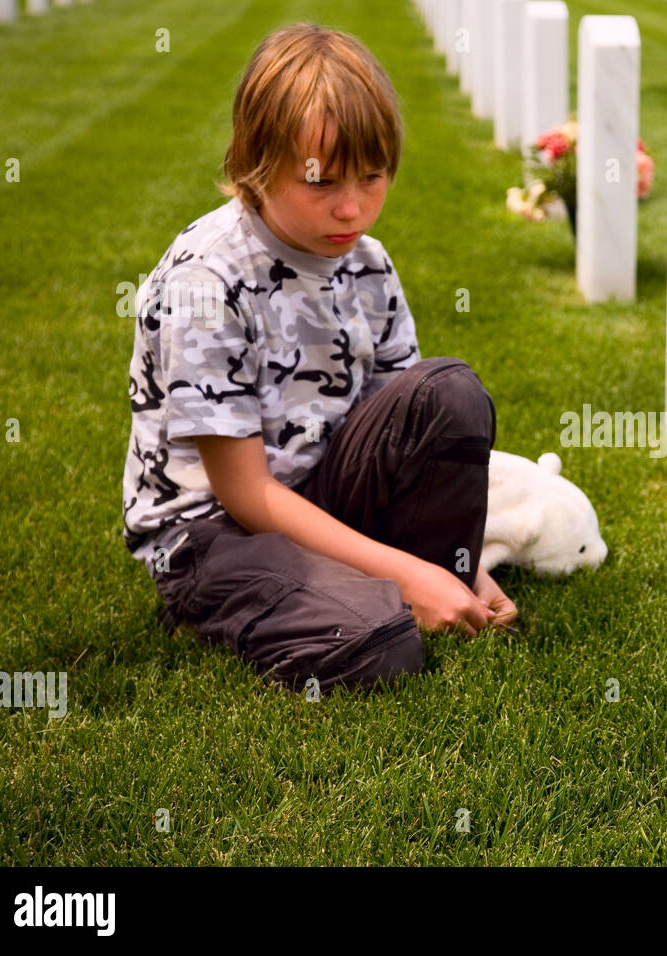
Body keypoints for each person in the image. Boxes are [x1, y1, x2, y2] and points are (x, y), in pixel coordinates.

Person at [120, 22, 516, 694]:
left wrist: (460, 565)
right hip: (218, 533)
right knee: (377, 644)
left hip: (327, 490)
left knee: (449, 391)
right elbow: (245, 494)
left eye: (373, 176)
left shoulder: (366, 260)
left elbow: (406, 425)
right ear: (256, 164)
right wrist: (406, 574)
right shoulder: (207, 283)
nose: (354, 207)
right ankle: (223, 607)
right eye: (322, 182)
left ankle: (384, 579)